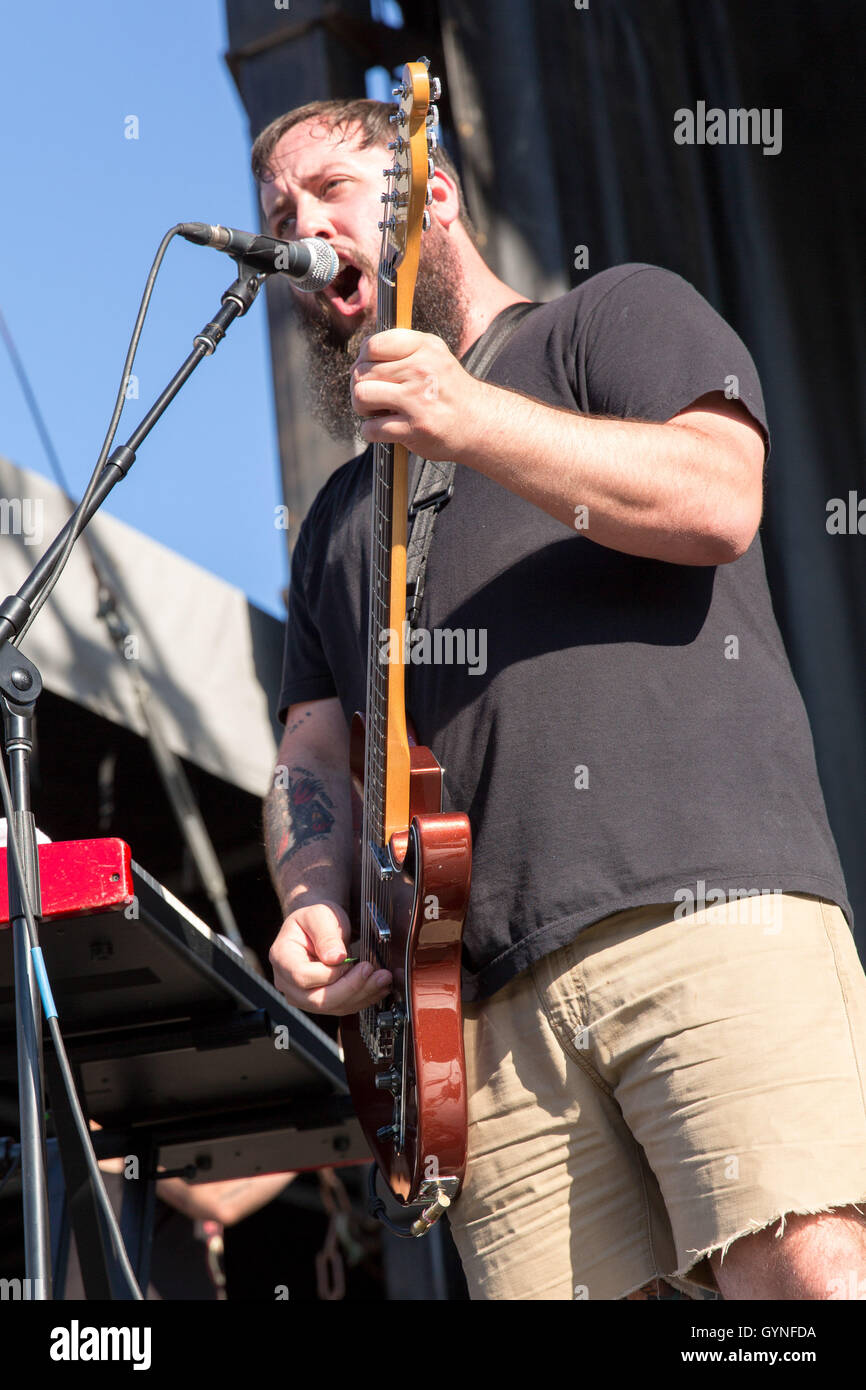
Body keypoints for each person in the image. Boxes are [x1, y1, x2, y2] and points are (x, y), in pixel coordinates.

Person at [258, 96, 866, 1301]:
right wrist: (305, 897)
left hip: (699, 908)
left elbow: (719, 497)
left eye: (330, 189)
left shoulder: (610, 317)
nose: (300, 226)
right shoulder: (336, 519)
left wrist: (469, 419)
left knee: (802, 1269)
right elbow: (313, 749)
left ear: (428, 196)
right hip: (477, 1015)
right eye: (277, 211)